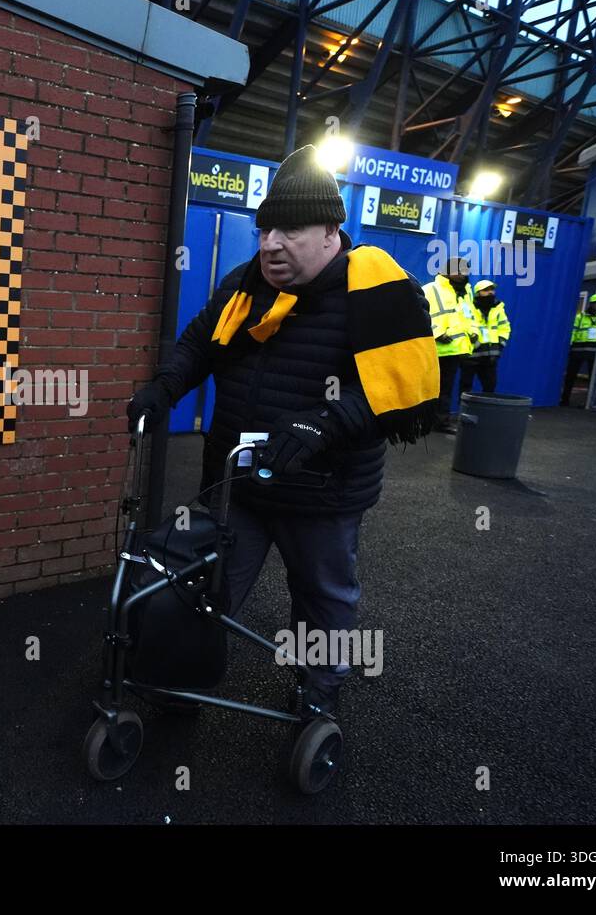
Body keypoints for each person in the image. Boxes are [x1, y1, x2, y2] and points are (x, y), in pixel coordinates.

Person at [126, 145, 439, 722]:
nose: (270, 243)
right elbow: (198, 345)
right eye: (264, 228)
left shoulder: (378, 291)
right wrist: (164, 389)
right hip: (239, 483)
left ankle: (319, 693)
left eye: (288, 230)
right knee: (205, 588)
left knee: (322, 601)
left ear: (330, 230)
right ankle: (182, 676)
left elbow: (399, 389)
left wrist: (322, 424)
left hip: (323, 491)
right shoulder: (246, 285)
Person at [421, 257, 478, 432]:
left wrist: (474, 331)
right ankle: (430, 422)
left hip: (459, 348)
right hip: (437, 348)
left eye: (465, 270)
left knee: (450, 388)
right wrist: (437, 333)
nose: (463, 274)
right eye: (459, 270)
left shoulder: (466, 291)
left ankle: (442, 420)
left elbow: (470, 314)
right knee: (432, 388)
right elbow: (420, 314)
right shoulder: (431, 289)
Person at [461, 278, 511, 394]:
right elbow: (463, 325)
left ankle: (486, 412)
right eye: (486, 290)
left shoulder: (498, 308)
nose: (490, 292)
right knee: (465, 387)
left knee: (490, 387)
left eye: (492, 290)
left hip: (491, 357)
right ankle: (463, 411)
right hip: (470, 356)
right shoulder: (468, 308)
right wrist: (474, 343)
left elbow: (505, 328)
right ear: (478, 293)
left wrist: (500, 345)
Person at [561, 291, 596, 406]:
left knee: (593, 378)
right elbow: (573, 332)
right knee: (571, 376)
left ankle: (589, 403)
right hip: (578, 350)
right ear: (591, 304)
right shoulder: (580, 317)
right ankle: (565, 399)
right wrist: (569, 346)